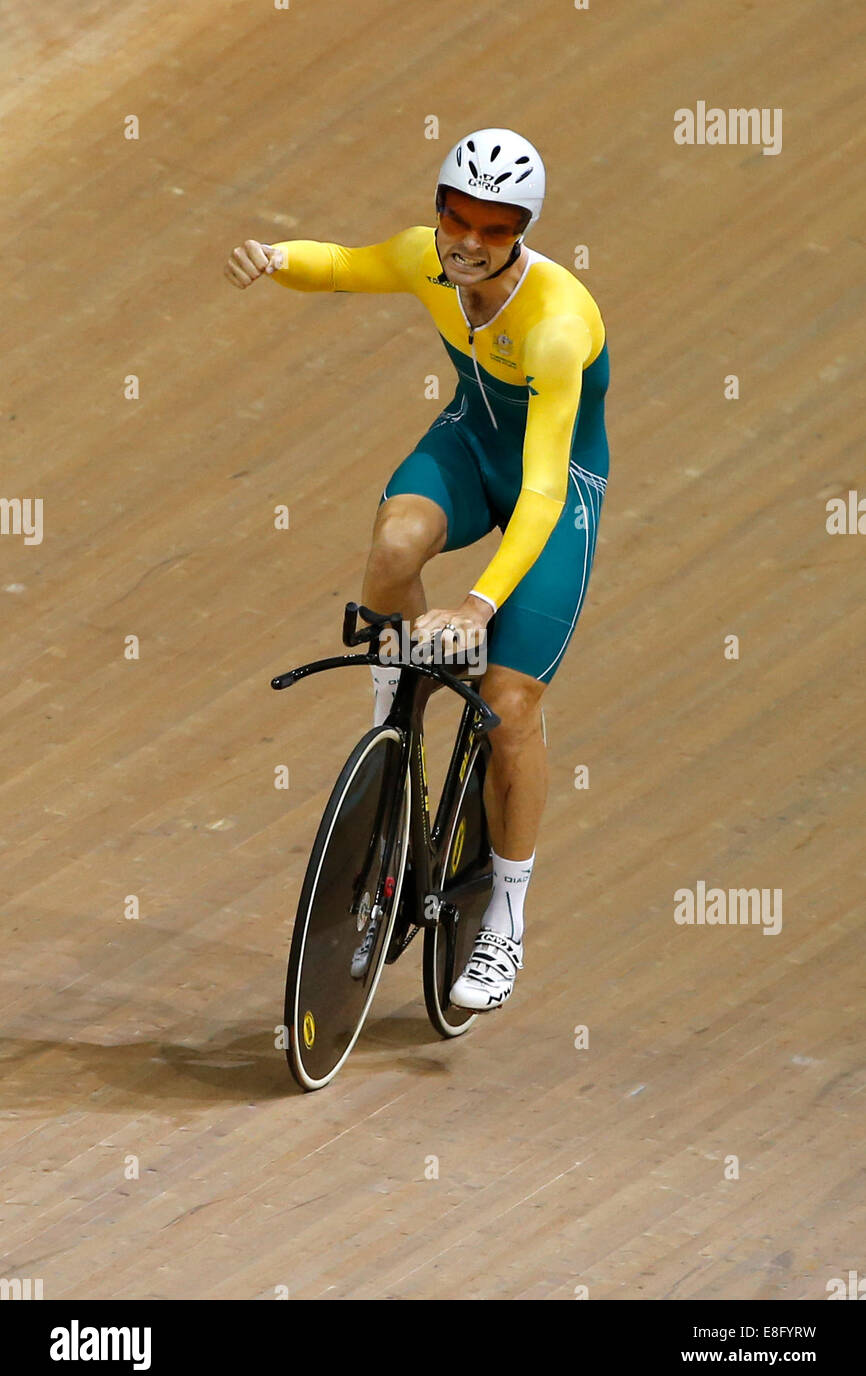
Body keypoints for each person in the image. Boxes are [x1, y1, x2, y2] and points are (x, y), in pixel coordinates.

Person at [224, 128, 609, 1012]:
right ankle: (397, 690)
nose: (470, 241)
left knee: (509, 705)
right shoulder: (424, 258)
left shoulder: (555, 324)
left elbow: (544, 492)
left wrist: (477, 604)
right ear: (438, 209)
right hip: (472, 446)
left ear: (525, 230)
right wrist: (274, 256)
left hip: (555, 486)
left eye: (496, 226)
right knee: (395, 547)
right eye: (456, 217)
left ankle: (505, 916)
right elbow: (343, 266)